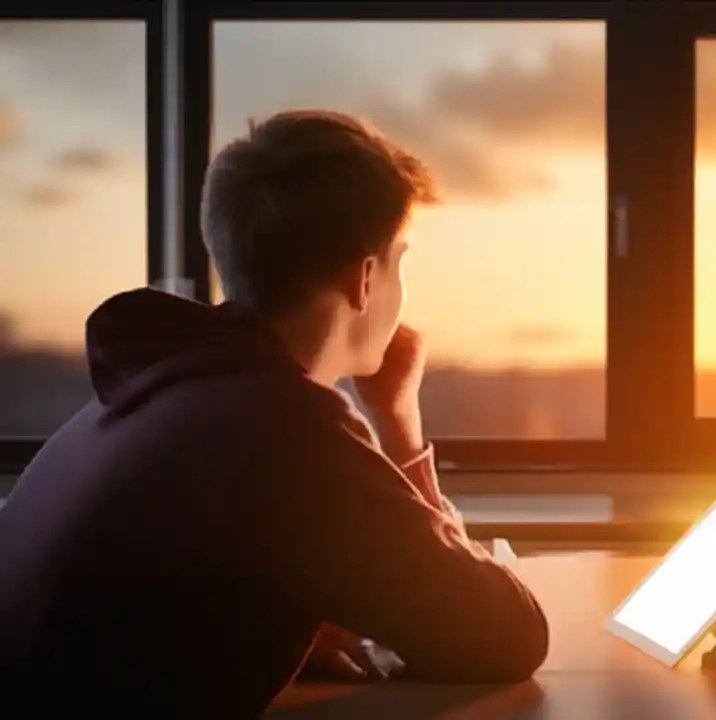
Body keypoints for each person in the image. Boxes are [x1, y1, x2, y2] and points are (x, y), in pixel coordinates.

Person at [0, 110, 548, 717]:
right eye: (400, 260)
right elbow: (506, 636)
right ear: (365, 279)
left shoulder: (164, 387)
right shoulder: (283, 429)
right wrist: (400, 428)